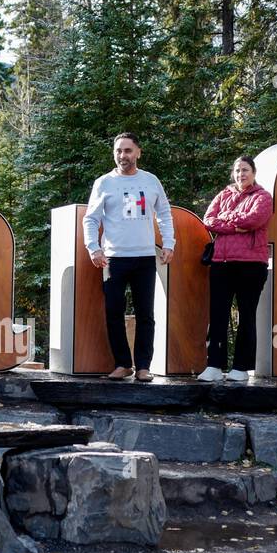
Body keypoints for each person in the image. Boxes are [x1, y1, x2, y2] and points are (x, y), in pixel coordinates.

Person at [83, 132, 175, 382]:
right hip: (113, 258)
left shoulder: (151, 181)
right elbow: (91, 218)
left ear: (138, 152)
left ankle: (143, 367)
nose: (123, 156)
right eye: (119, 151)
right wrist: (93, 247)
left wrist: (168, 243)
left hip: (145, 256)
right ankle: (123, 364)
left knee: (146, 313)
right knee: (113, 312)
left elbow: (164, 213)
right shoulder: (104, 183)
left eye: (127, 151)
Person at [199, 155, 273, 382]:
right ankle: (214, 366)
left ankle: (241, 368)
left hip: (251, 265)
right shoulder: (224, 194)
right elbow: (209, 220)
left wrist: (227, 220)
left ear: (254, 172)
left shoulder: (263, 197)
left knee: (247, 315)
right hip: (221, 262)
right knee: (218, 314)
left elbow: (254, 220)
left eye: (245, 170)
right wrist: (234, 222)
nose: (241, 174)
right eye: (237, 170)